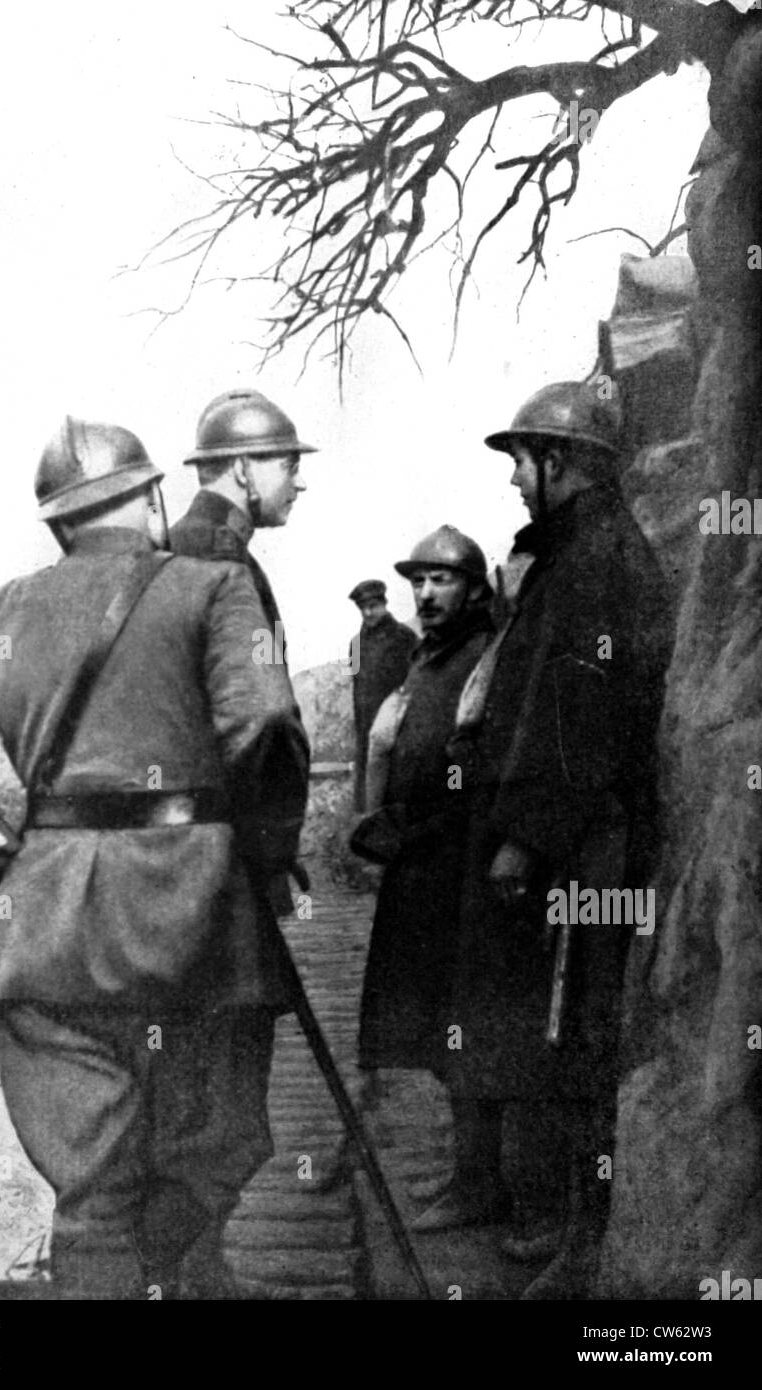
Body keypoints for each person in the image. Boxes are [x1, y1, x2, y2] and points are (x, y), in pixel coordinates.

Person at [0, 416, 309, 1300]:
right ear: (152, 496)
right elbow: (263, 724)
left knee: (92, 1195)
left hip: (40, 937)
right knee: (210, 1151)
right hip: (196, 928)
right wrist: (258, 852)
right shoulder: (214, 588)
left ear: (60, 522)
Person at [440, 381, 673, 1297]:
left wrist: (527, 839)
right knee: (565, 1033)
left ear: (563, 462)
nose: (514, 482)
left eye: (522, 462)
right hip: (579, 837)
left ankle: (587, 1245)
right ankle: (572, 1228)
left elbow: (580, 716)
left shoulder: (595, 561)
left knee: (583, 1038)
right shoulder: (575, 556)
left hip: (592, 847)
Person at [167, 388, 315, 1295]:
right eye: (287, 464)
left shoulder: (168, 552)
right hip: (220, 877)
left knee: (180, 1086)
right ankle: (192, 1272)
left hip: (165, 874)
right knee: (224, 1102)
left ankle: (187, 1266)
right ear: (239, 470)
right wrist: (266, 847)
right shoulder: (223, 563)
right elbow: (264, 723)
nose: (298, 482)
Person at [354, 525, 494, 1198]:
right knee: (435, 1026)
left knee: (465, 1022)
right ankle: (468, 1176)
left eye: (441, 581)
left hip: (464, 867)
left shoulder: (486, 653)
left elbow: (479, 764)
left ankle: (479, 1182)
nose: (426, 594)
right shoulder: (426, 657)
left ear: (473, 588)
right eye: (419, 582)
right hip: (420, 865)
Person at [347, 580, 416, 812]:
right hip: (366, 731)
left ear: (384, 604)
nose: (368, 613)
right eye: (363, 608)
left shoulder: (405, 638)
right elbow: (357, 687)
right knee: (368, 802)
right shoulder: (355, 645)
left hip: (396, 729)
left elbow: (413, 685)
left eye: (373, 606)